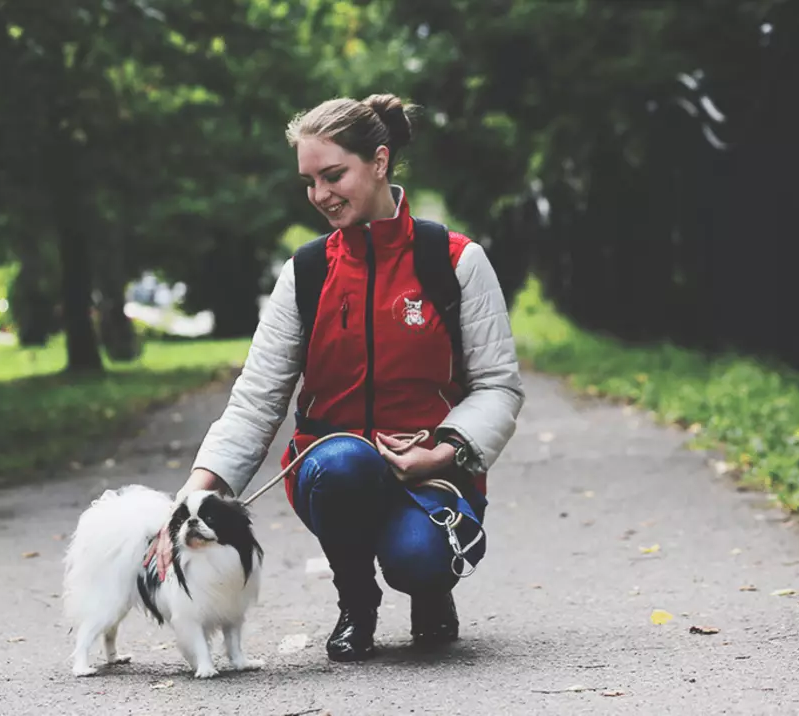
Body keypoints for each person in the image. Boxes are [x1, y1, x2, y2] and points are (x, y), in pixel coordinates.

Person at [145, 93, 524, 662]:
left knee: (419, 558)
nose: (320, 195)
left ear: (378, 161)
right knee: (342, 461)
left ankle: (431, 589)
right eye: (309, 181)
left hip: (432, 473)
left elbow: (498, 385)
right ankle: (356, 602)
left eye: (333, 175)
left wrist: (445, 451)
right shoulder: (307, 272)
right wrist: (191, 500)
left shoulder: (455, 260)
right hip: (333, 467)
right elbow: (256, 400)